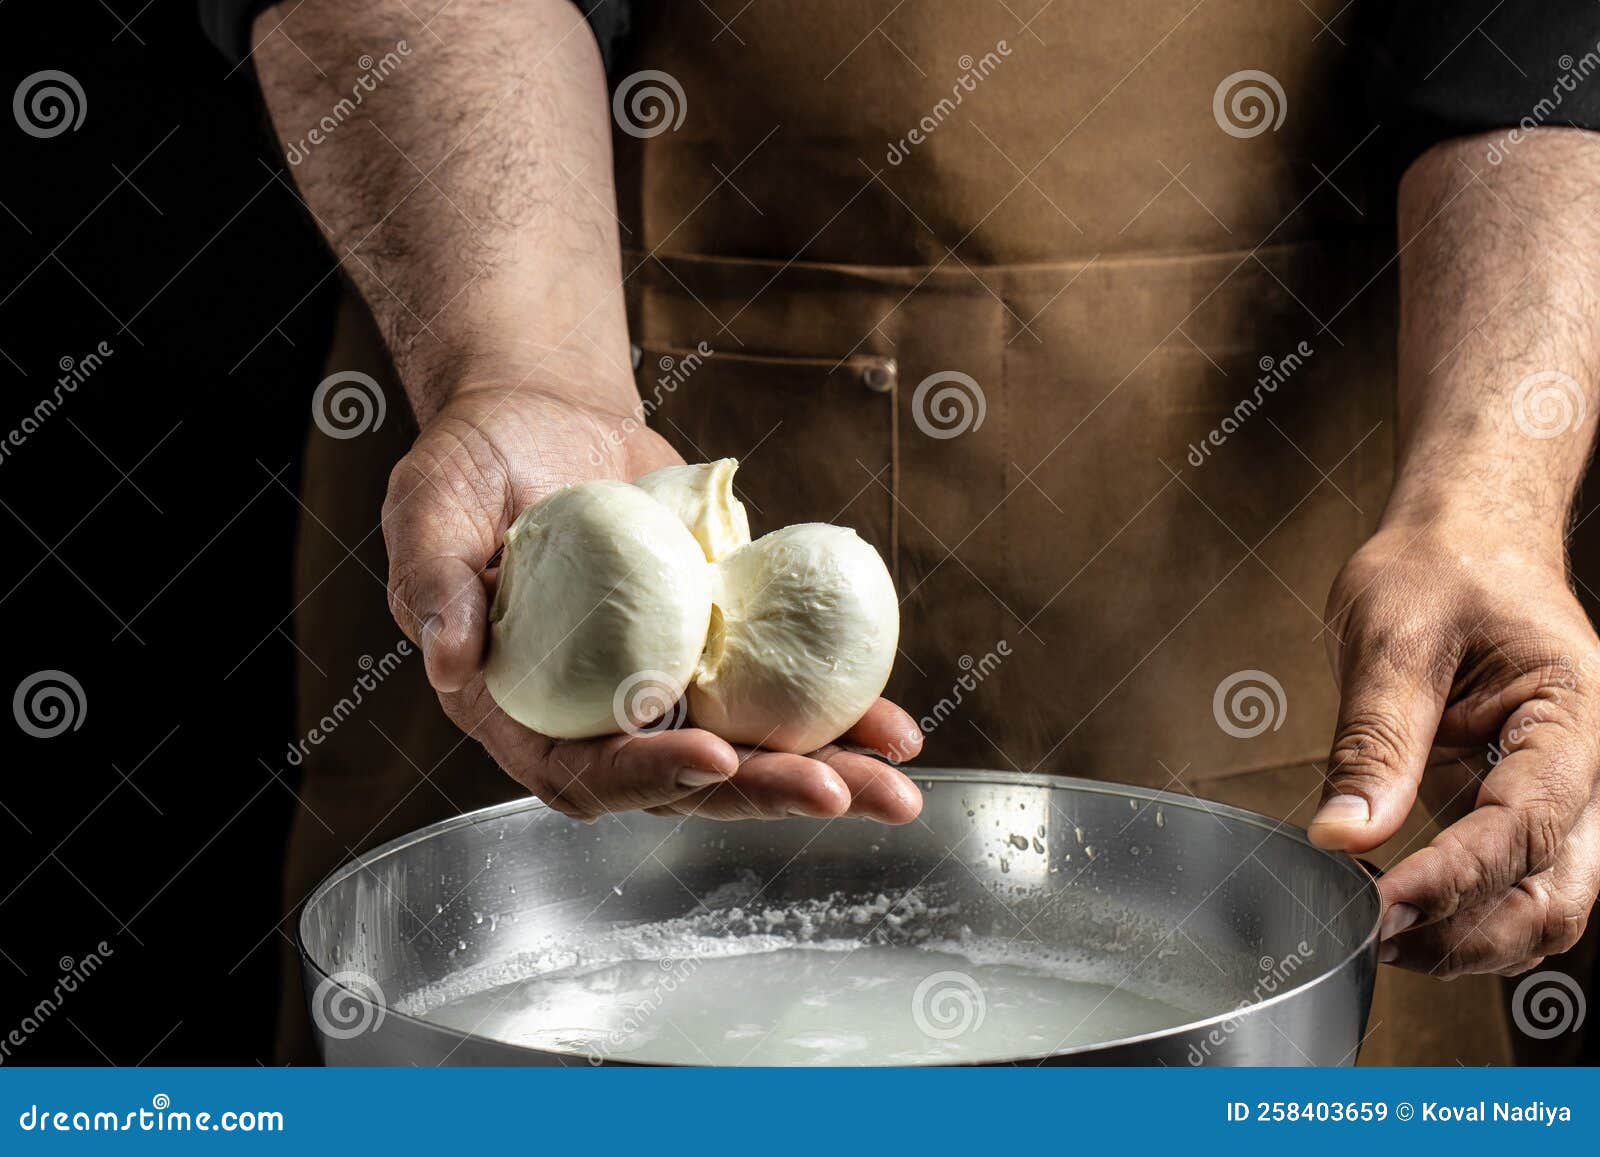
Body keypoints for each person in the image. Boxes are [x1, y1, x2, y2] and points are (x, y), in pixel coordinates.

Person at [204, 0, 1600, 1064]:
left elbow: (1535, 28)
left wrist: (1494, 490)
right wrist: (524, 371)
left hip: (1254, 506)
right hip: (555, 371)